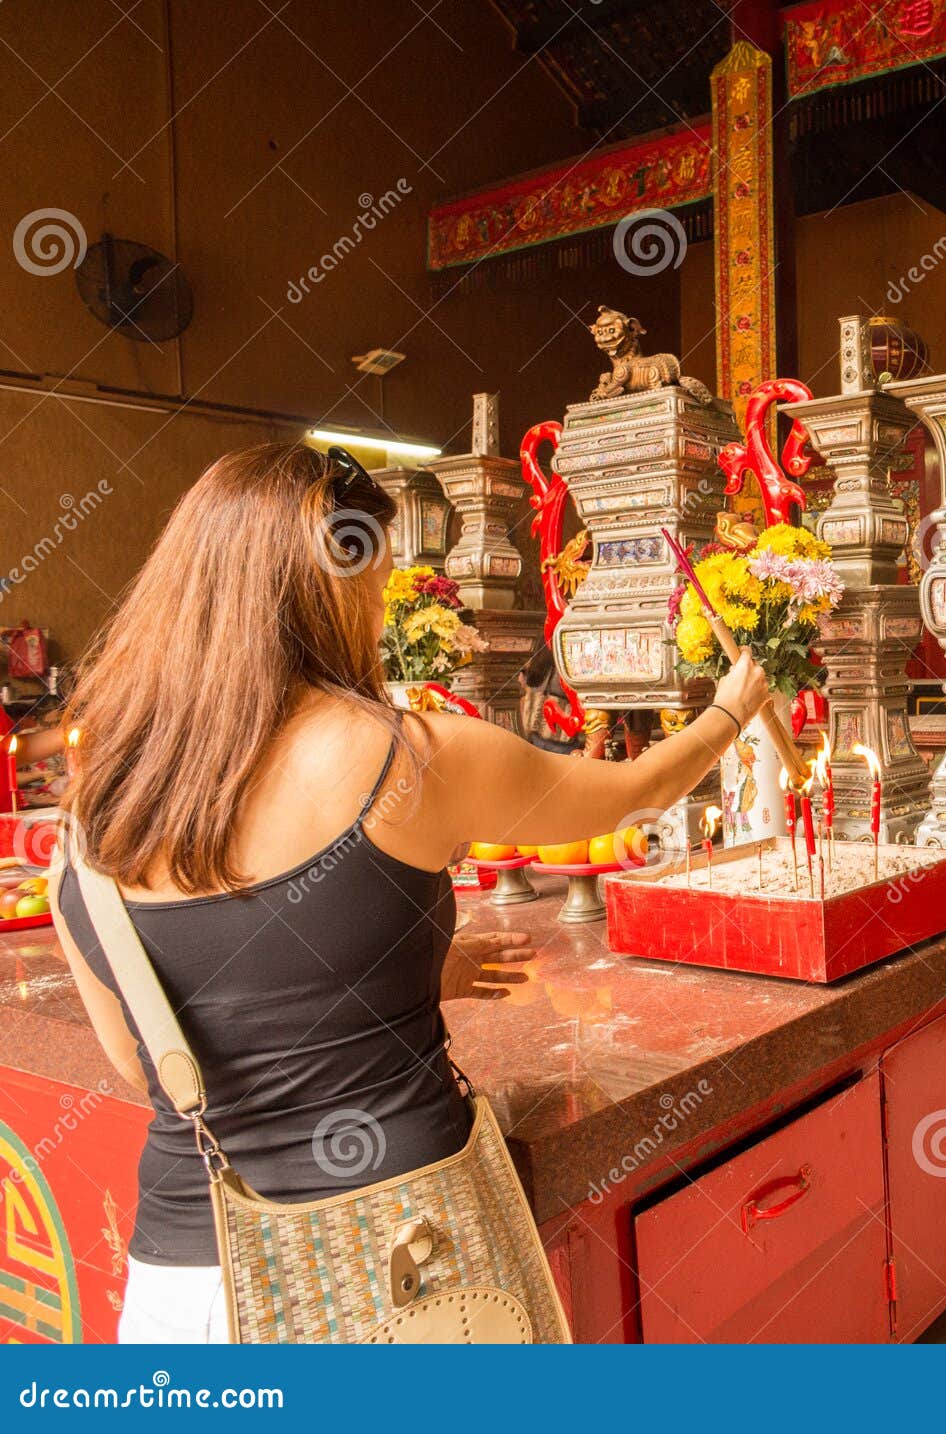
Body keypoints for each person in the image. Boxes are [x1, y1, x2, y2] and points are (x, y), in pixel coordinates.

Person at [47, 442, 770, 1343]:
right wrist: (733, 708)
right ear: (330, 589)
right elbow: (638, 790)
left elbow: (149, 1052)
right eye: (376, 586)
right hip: (400, 1266)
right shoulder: (407, 758)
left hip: (187, 1288)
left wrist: (393, 969)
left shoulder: (91, 812)